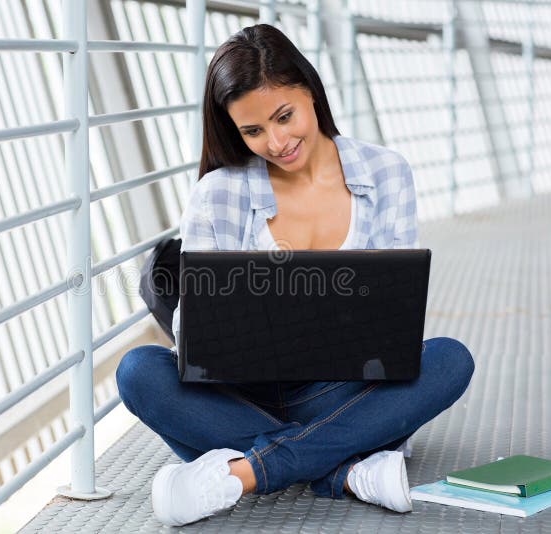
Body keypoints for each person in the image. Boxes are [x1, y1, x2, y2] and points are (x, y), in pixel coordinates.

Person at [116, 24, 474, 527]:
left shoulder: (386, 172)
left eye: (284, 116)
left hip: (341, 391)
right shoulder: (218, 193)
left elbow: (396, 316)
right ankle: (344, 468)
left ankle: (245, 471)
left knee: (449, 360)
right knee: (138, 372)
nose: (277, 142)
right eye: (253, 131)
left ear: (310, 90)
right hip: (245, 394)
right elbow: (192, 331)